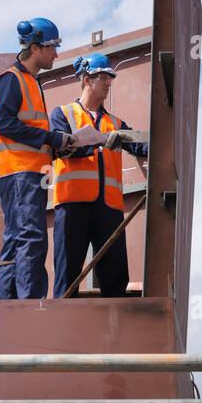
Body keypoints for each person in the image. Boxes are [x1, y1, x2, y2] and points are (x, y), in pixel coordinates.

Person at [0, 17, 94, 299]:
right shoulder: (12, 80)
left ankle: (10, 306)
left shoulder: (31, 83)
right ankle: (29, 307)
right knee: (31, 237)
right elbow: (4, 124)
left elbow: (28, 129)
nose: (57, 54)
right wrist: (50, 138)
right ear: (35, 48)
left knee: (17, 239)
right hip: (19, 172)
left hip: (25, 173)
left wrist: (61, 144)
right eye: (53, 47)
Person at [48, 53, 148, 298]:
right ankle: (62, 327)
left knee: (115, 278)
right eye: (102, 76)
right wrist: (99, 142)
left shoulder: (116, 123)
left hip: (109, 208)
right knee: (67, 275)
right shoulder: (63, 114)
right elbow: (59, 148)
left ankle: (114, 329)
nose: (108, 82)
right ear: (85, 79)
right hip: (73, 205)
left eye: (110, 77)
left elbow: (140, 146)